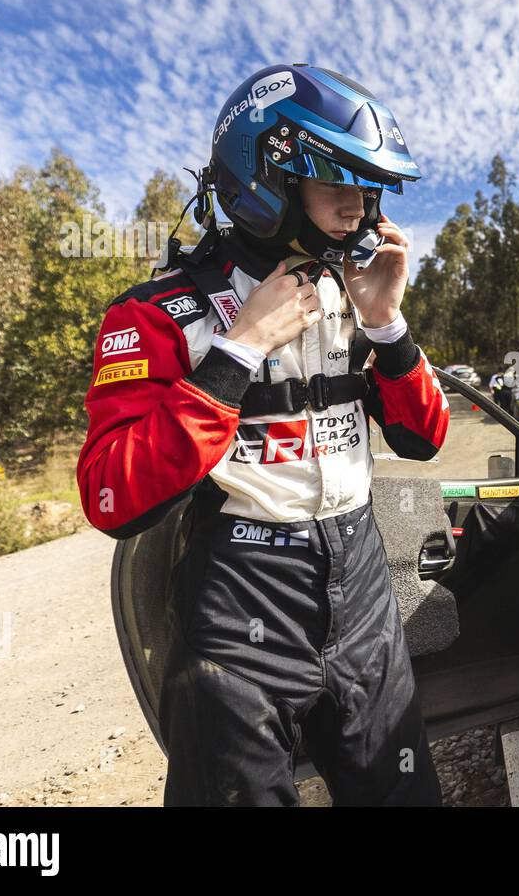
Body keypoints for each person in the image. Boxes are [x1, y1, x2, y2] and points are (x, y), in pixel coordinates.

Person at [76, 64, 449, 806]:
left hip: (364, 585)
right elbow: (111, 493)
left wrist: (388, 325)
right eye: (336, 182)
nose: (359, 209)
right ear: (266, 178)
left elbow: (423, 437)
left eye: (368, 188)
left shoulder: (351, 290)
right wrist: (238, 354)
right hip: (240, 595)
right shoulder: (156, 315)